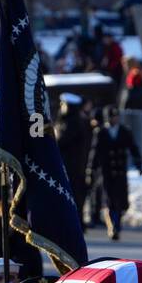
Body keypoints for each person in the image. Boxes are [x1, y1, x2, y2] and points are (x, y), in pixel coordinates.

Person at [86, 105, 142, 240]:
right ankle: (113, 226)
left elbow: (133, 147)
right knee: (109, 200)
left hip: (120, 171)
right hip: (106, 172)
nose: (115, 119)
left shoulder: (124, 131)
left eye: (116, 116)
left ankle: (117, 222)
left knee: (121, 201)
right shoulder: (101, 132)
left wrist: (138, 162)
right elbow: (94, 152)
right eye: (112, 117)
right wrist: (90, 169)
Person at [55, 93, 90, 229]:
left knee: (73, 195)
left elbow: (61, 141)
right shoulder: (69, 120)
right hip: (72, 165)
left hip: (72, 166)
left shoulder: (72, 122)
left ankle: (75, 222)